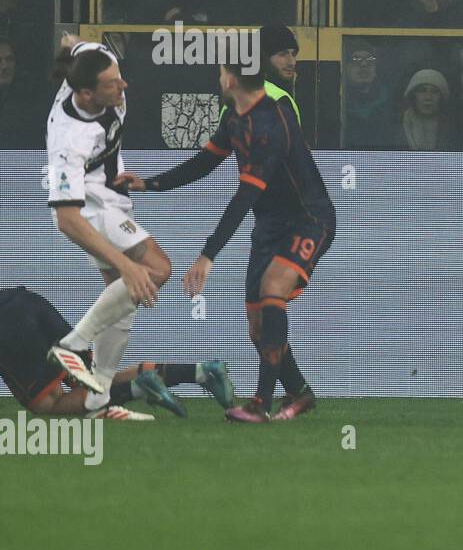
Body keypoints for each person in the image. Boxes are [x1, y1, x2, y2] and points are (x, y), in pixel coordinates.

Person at [117, 31, 337, 423]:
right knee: (257, 324)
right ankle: (300, 392)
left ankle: (260, 403)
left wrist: (207, 256)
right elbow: (203, 164)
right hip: (270, 224)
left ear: (230, 76)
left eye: (221, 70)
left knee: (272, 293)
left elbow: (244, 197)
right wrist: (146, 183)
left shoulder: (271, 122)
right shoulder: (236, 118)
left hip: (309, 218)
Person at [43, 37, 172, 411]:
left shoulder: (92, 61)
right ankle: (71, 345)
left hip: (107, 193)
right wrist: (126, 263)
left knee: (123, 295)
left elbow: (75, 43)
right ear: (85, 93)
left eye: (120, 77)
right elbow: (67, 219)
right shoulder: (69, 141)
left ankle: (98, 392)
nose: (123, 85)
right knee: (154, 270)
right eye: (113, 84)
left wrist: (71, 42)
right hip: (85, 207)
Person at [0, 285, 234, 419]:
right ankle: (201, 372)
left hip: (7, 325)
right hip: (27, 300)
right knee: (94, 379)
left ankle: (139, 386)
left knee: (48, 405)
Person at [398, 68, 456, 150]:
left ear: (441, 98)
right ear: (413, 96)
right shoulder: (395, 129)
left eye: (435, 91)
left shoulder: (453, 132)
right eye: (422, 90)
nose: (428, 97)